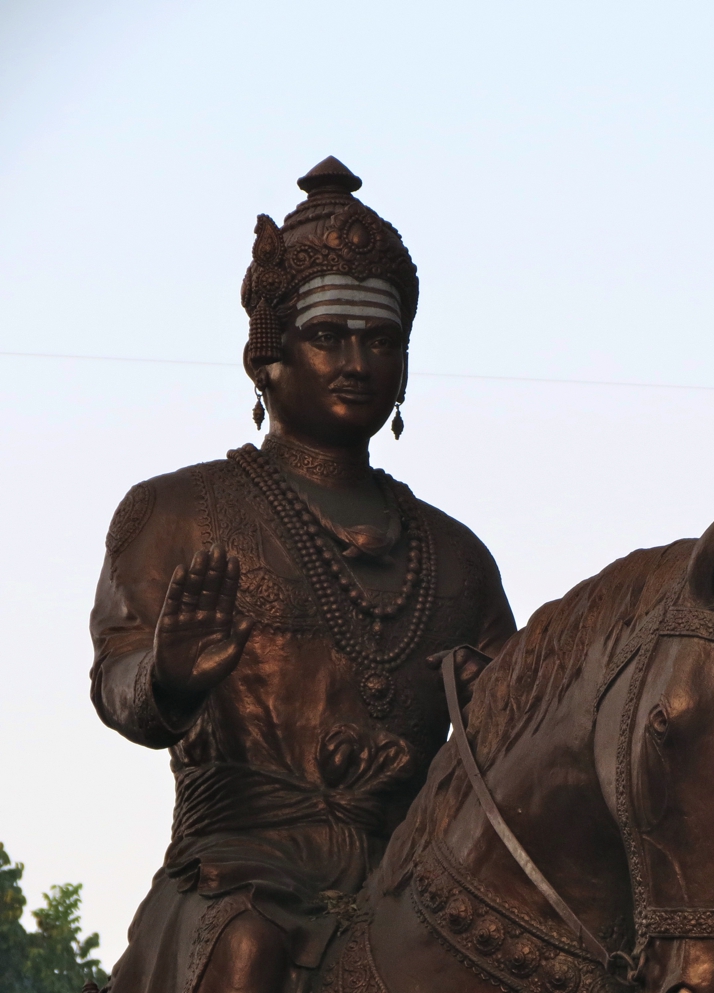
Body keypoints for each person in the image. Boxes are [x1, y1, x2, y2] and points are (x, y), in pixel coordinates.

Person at [89, 157, 516, 993]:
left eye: (382, 338)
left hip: (414, 888)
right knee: (247, 950)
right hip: (240, 877)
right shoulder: (175, 512)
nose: (358, 360)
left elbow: (519, 732)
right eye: (329, 335)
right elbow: (116, 681)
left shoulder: (458, 558)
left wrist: (493, 703)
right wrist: (167, 677)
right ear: (267, 353)